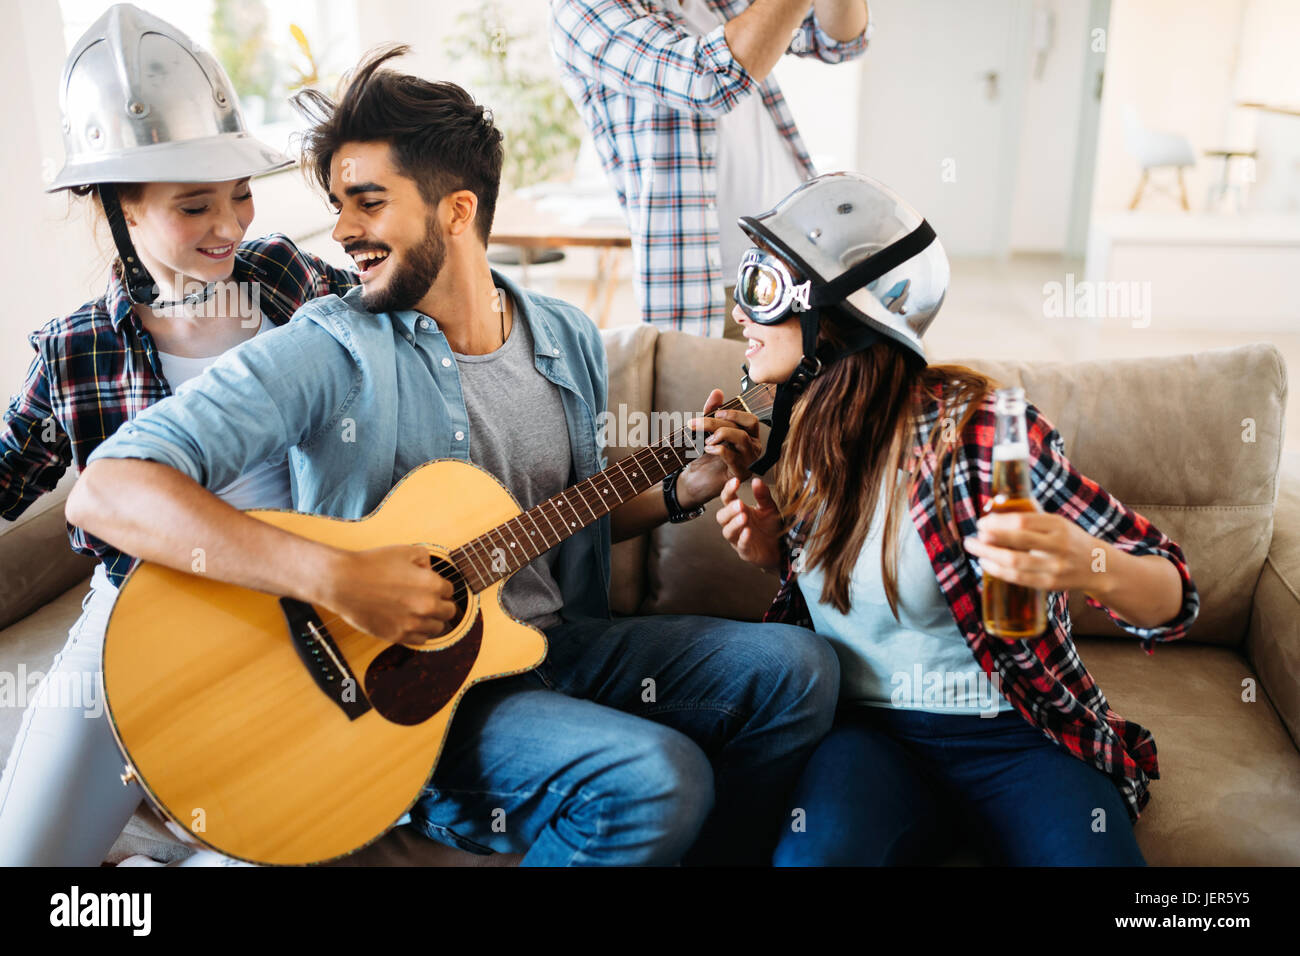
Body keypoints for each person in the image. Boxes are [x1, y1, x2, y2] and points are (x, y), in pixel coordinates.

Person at [68, 44, 840, 867]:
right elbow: (107, 490)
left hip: (557, 646)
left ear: (458, 212)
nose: (341, 232)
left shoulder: (565, 335)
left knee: (800, 669)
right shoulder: (332, 347)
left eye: (366, 203)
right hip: (406, 699)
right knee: (656, 777)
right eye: (338, 205)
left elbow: (565, 518)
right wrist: (335, 578)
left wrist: (681, 490)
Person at [714, 172, 1201, 865]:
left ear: (838, 315)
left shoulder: (982, 436)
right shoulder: (798, 434)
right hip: (866, 739)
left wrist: (1088, 561)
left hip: (1012, 734)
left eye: (761, 287)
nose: (740, 313)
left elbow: (1175, 595)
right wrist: (773, 554)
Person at [0, 3, 359, 866]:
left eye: (240, 195)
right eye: (194, 206)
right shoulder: (76, 348)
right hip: (135, 620)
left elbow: (409, 319)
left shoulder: (286, 279)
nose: (230, 226)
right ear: (119, 207)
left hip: (296, 616)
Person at [550, 0, 870, 339]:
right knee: (728, 393)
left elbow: (840, 41)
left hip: (805, 264)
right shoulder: (581, 7)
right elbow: (710, 79)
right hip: (717, 297)